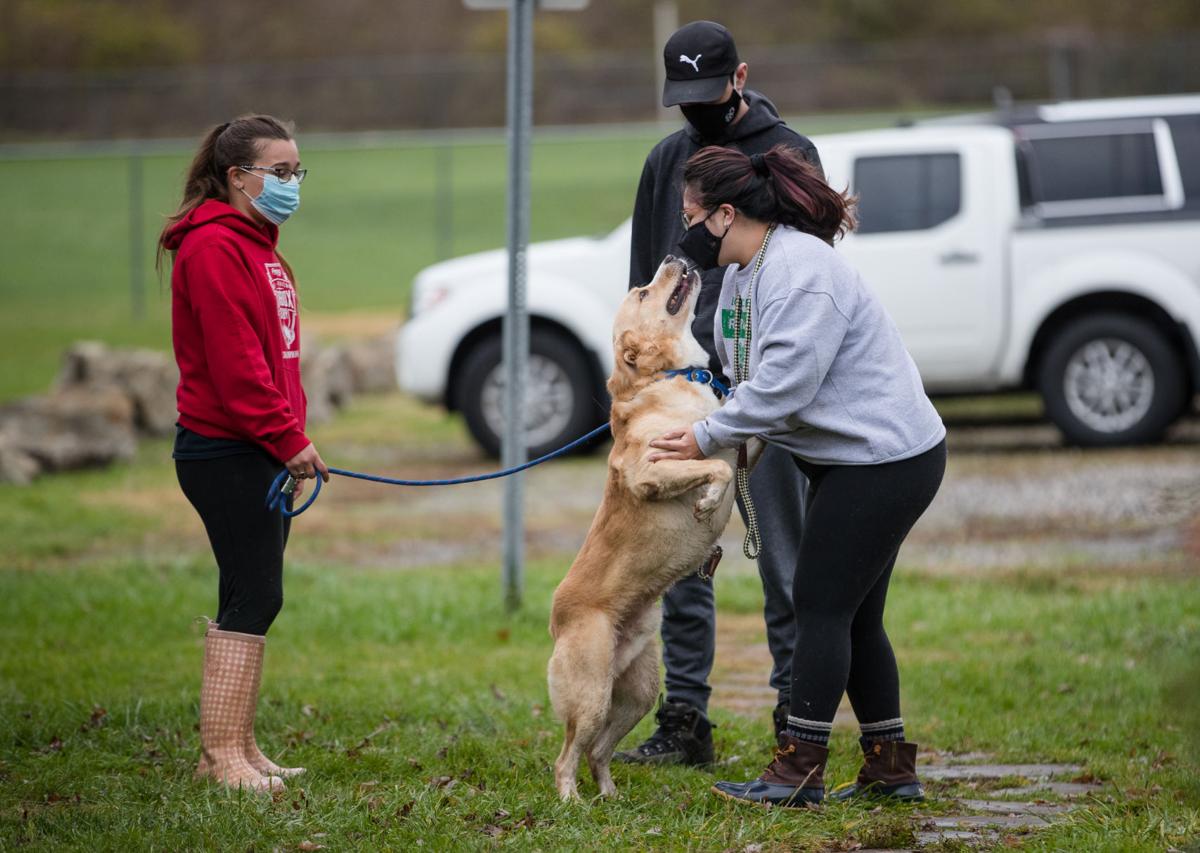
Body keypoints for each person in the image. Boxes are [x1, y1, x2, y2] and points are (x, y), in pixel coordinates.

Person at [648, 144, 946, 806]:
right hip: (854, 459)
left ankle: (799, 769)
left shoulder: (801, 270)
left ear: (725, 215)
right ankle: (890, 769)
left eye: (690, 214)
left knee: (818, 603)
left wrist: (703, 437)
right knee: (854, 615)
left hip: (888, 459)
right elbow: (746, 378)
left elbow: (783, 386)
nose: (684, 229)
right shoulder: (747, 273)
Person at [617, 20, 822, 767]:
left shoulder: (789, 154)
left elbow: (809, 282)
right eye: (684, 99)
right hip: (684, 394)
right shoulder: (665, 163)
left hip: (766, 393)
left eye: (709, 94)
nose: (696, 110)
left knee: (785, 563)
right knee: (679, 561)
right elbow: (649, 283)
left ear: (740, 78)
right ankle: (684, 721)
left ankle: (795, 716)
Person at [159, 114, 328, 793]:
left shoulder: (256, 243)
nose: (291, 183)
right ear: (237, 176)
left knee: (249, 593)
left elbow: (275, 357)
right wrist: (290, 441)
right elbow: (236, 369)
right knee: (256, 593)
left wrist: (287, 435)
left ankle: (236, 745)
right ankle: (221, 753)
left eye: (296, 171)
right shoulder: (211, 249)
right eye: (279, 171)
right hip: (225, 450)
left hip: (258, 449)